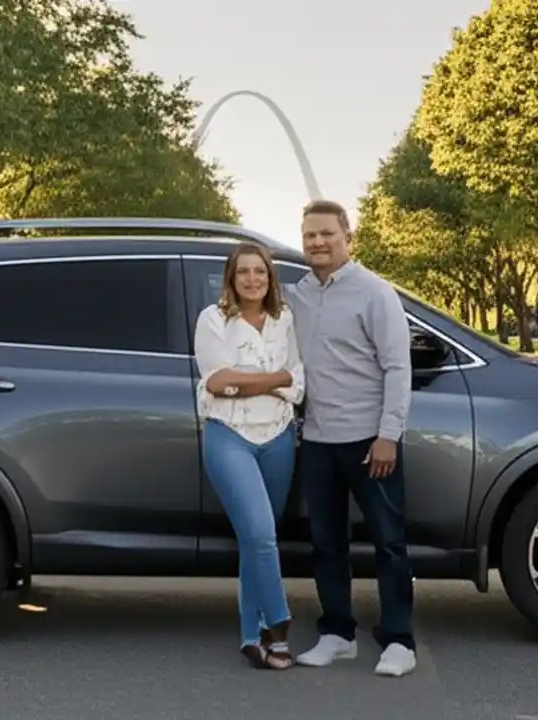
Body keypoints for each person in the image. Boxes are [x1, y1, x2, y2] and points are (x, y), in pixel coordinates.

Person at [285, 199, 417, 677]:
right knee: (326, 544)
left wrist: (388, 434)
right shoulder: (296, 295)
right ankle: (338, 633)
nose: (317, 243)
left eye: (326, 234)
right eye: (309, 236)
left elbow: (397, 367)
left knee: (388, 543)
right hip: (317, 440)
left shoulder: (374, 293)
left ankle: (400, 640)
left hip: (370, 440)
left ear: (347, 238)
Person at [194, 243, 305, 670]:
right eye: (244, 272)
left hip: (278, 438)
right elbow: (218, 382)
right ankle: (277, 626)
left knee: (256, 541)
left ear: (270, 277)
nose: (253, 279)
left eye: (261, 272)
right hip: (230, 437)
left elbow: (297, 386)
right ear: (231, 277)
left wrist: (253, 380)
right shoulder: (213, 320)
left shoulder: (285, 322)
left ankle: (248, 635)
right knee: (261, 535)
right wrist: (274, 378)